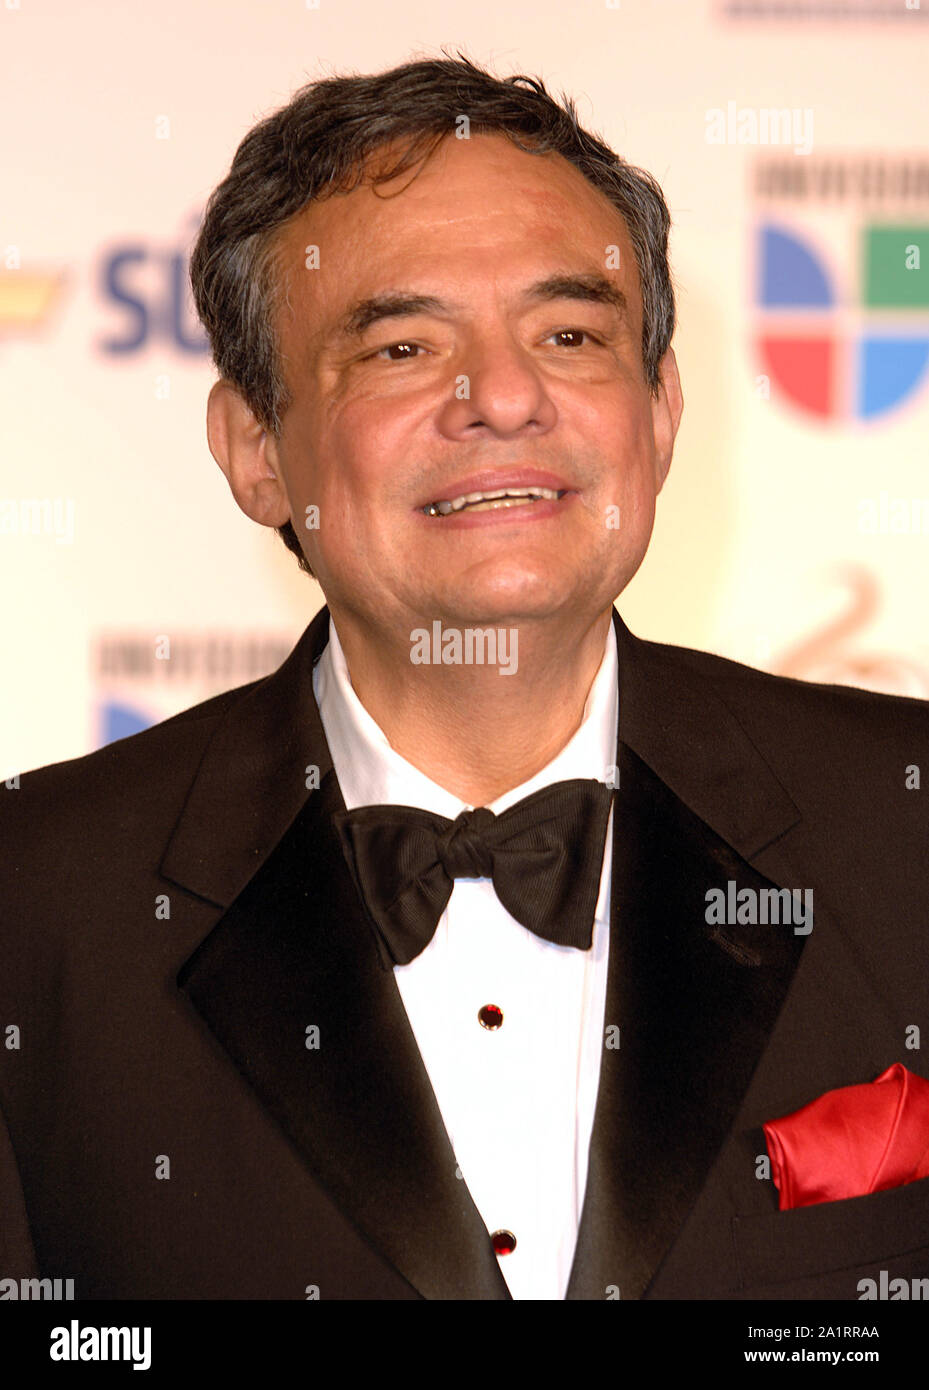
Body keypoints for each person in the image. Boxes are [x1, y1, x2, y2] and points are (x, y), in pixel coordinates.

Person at [1, 52, 927, 1303]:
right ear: (256, 450)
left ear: (658, 410)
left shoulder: (904, 828)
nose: (500, 395)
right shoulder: (36, 905)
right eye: (399, 346)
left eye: (567, 333)